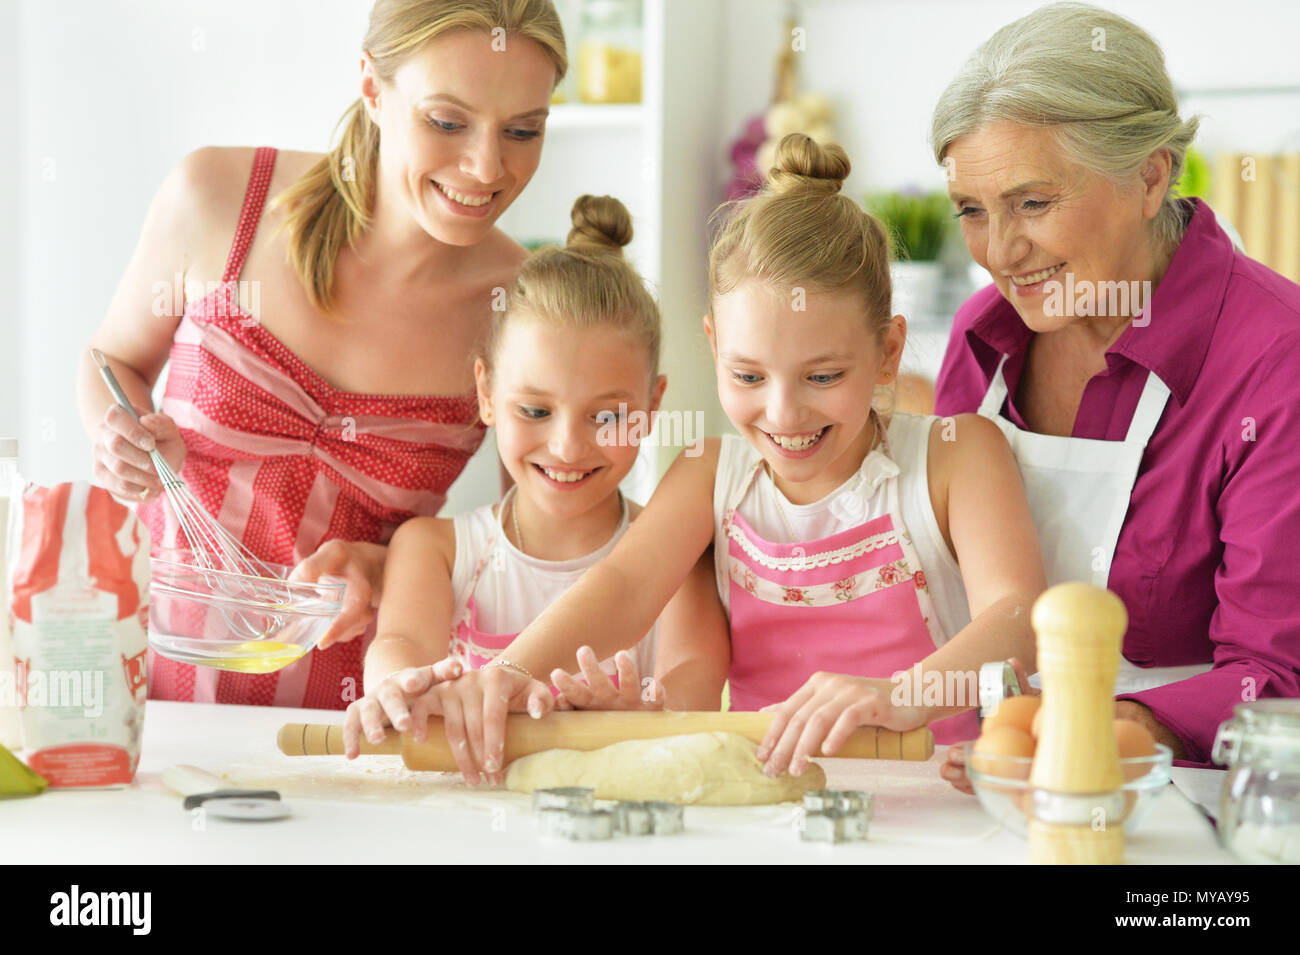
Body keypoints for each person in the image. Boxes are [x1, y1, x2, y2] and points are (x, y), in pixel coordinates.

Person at [423, 133, 1048, 781]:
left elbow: (1019, 617)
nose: (783, 414)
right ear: (713, 344)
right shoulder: (708, 472)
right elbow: (623, 585)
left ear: (888, 351)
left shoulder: (956, 456)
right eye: (748, 377)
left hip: (923, 804)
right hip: (760, 807)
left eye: (823, 376)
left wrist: (902, 694)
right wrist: (507, 674)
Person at [76, 0, 567, 708]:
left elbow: (530, 544)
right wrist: (115, 431)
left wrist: (387, 563)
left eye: (523, 129)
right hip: (135, 689)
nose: (486, 166)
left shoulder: (522, 307)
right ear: (372, 87)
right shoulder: (217, 197)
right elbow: (108, 359)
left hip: (352, 726)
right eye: (447, 121)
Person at [928, 3, 1300, 783]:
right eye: (972, 210)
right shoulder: (981, 341)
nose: (1001, 251)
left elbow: (1276, 678)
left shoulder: (1275, 356)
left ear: (1150, 174)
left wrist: (1102, 731)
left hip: (1188, 801)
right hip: (983, 785)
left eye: (1034, 202)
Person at [340, 195, 726, 783]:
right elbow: (397, 644)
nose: (568, 447)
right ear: (487, 393)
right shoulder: (435, 549)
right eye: (536, 410)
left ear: (652, 405)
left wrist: (636, 718)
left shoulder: (676, 553)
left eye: (606, 416)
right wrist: (399, 690)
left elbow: (691, 693)